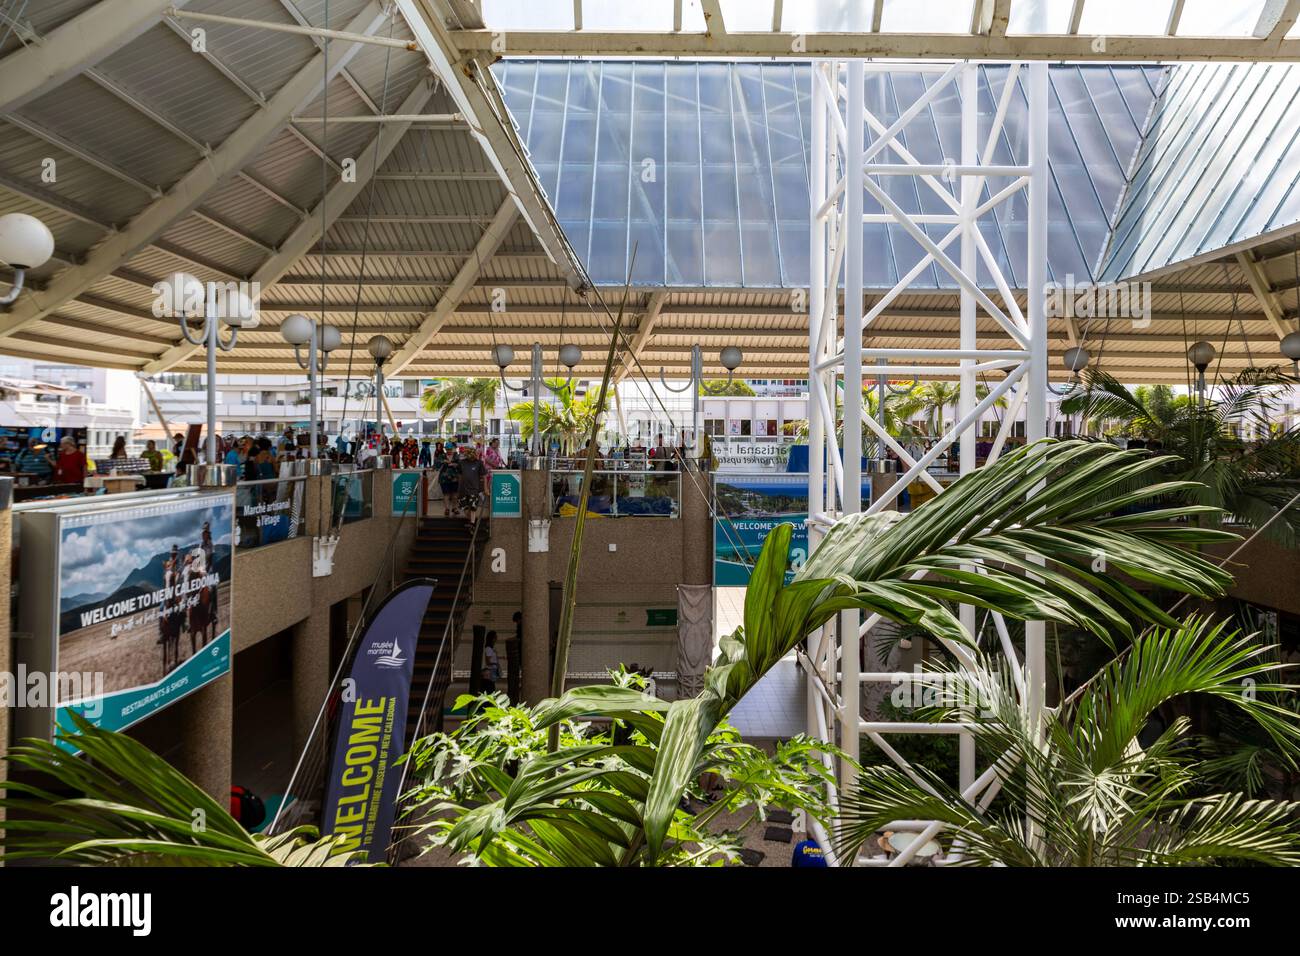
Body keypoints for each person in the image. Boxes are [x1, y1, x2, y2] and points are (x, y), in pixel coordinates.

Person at [457, 446, 485, 522]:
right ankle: (470, 522)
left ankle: (472, 523)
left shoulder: (479, 463)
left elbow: (484, 476)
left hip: (474, 489)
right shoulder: (462, 463)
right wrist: (458, 489)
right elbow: (460, 476)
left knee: (473, 507)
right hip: (463, 489)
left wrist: (485, 489)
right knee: (464, 508)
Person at [437, 445, 460, 517]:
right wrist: (443, 461)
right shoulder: (442, 456)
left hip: (455, 478)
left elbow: (461, 465)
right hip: (444, 478)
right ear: (445, 449)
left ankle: (455, 508)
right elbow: (437, 465)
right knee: (446, 494)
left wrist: (454, 464)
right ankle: (447, 509)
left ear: (453, 449)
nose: (449, 451)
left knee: (455, 494)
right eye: (447, 449)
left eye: (450, 449)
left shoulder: (457, 456)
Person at [481, 630, 501, 695]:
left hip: (493, 669)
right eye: (495, 637)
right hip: (491, 669)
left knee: (492, 685)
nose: (496, 638)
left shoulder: (490, 649)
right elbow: (488, 661)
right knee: (491, 686)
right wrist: (496, 664)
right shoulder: (488, 649)